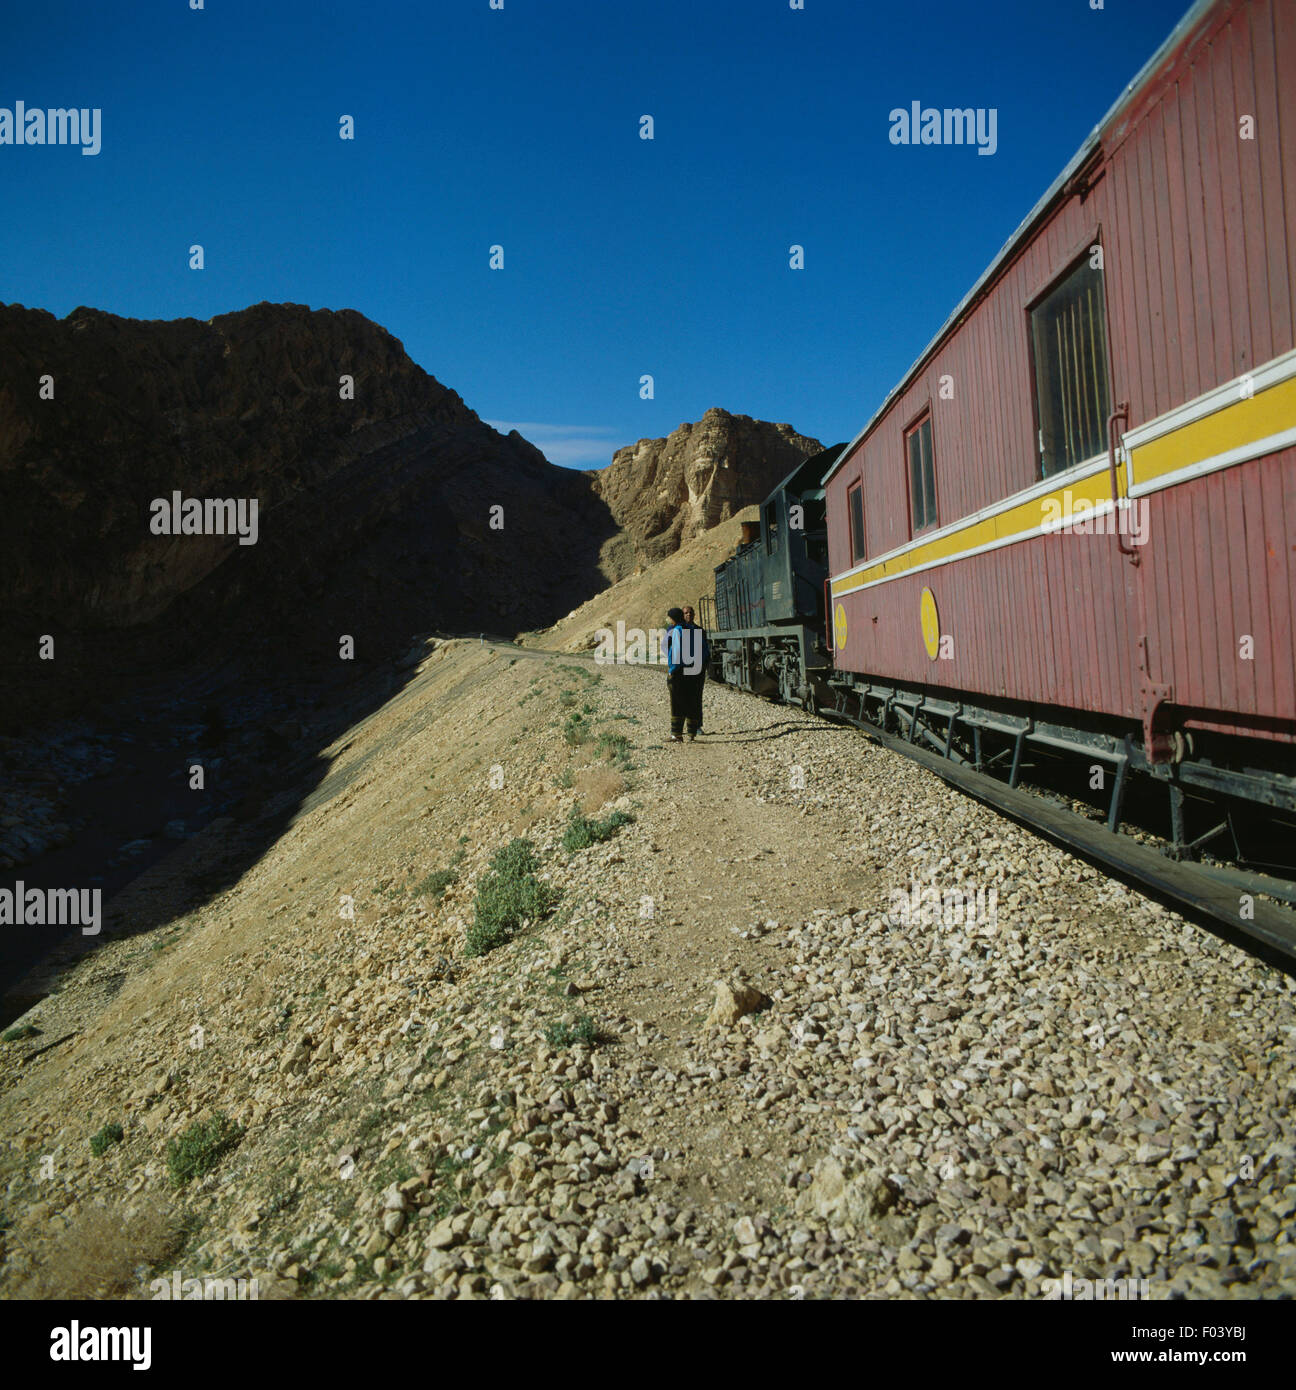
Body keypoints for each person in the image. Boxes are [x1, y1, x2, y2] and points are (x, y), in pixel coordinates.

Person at [664, 606, 708, 742]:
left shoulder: (677, 631)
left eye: (670, 617)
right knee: (692, 701)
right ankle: (692, 733)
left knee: (677, 703)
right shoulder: (694, 630)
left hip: (679, 672)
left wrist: (672, 670)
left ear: (673, 618)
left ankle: (676, 734)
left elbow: (676, 654)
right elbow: (704, 652)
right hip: (694, 671)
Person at [681, 605, 708, 734]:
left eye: (690, 613)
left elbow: (705, 650)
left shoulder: (700, 631)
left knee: (696, 698)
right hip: (683, 670)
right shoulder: (678, 631)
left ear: (694, 614)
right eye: (686, 613)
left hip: (697, 670)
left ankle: (697, 726)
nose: (688, 615)